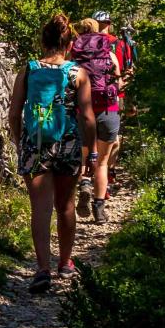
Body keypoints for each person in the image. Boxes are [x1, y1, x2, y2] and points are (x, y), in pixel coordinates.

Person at [8, 12, 97, 294]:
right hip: (68, 145)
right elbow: (87, 117)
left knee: (41, 208)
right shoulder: (78, 73)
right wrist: (91, 152)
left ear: (43, 41)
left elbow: (15, 111)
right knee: (66, 205)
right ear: (69, 44)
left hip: (35, 145)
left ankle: (42, 268)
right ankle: (66, 262)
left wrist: (19, 141)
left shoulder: (29, 70)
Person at [69, 15, 121, 224]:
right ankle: (99, 210)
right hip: (108, 110)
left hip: (83, 112)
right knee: (102, 162)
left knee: (83, 157)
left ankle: (84, 185)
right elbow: (118, 77)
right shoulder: (108, 53)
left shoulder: (74, 55)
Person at [93, 10, 131, 185]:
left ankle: (91, 175)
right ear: (110, 23)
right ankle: (108, 171)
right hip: (116, 95)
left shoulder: (84, 44)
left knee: (93, 137)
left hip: (89, 95)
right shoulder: (121, 44)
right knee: (113, 138)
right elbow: (129, 72)